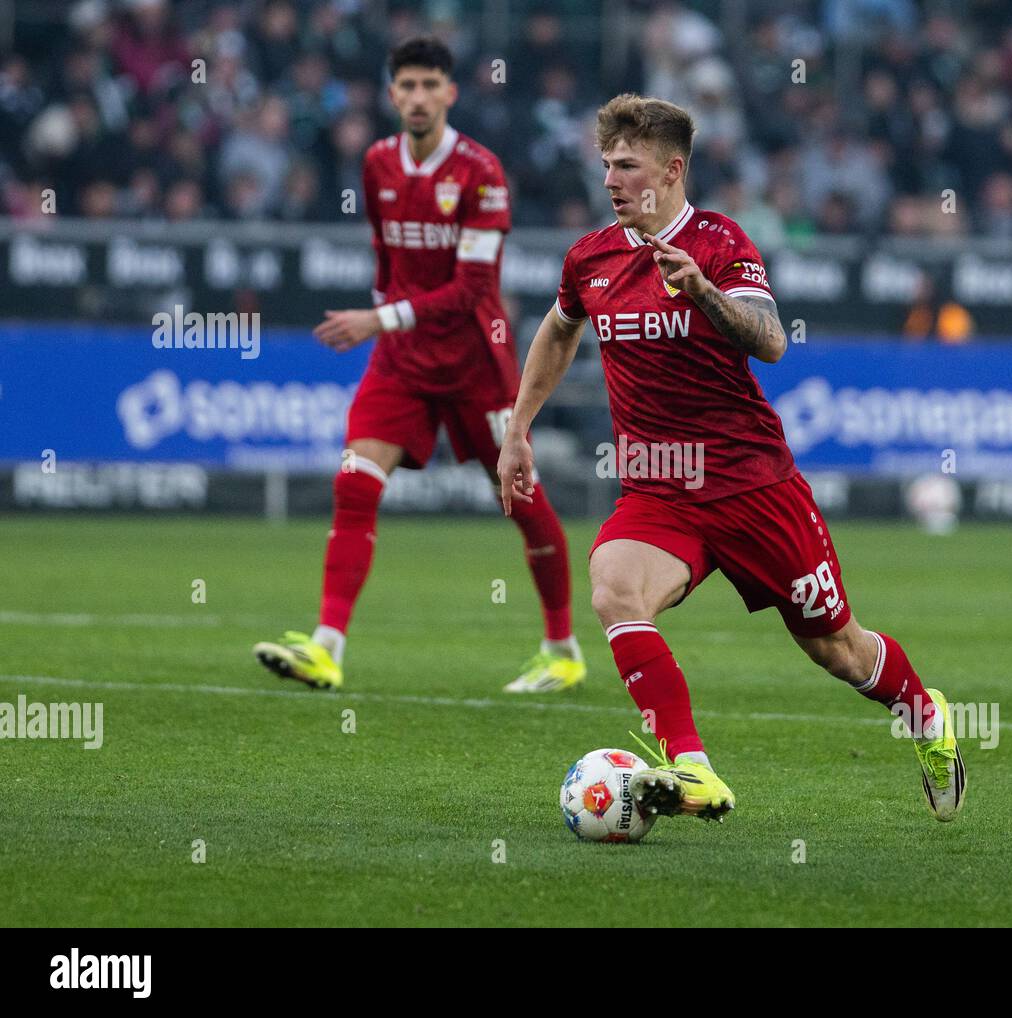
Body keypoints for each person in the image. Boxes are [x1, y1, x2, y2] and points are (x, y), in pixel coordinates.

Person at [497, 93, 966, 823]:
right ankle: (692, 767)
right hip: (659, 489)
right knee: (615, 589)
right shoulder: (589, 257)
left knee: (838, 651)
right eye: (607, 166)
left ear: (673, 169)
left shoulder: (719, 243)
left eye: (628, 166)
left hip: (754, 486)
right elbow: (560, 331)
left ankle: (924, 714)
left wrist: (706, 293)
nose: (612, 180)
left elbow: (772, 342)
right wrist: (519, 426)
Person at [254, 37, 584, 694]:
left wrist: (378, 319)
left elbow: (468, 289)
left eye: (429, 84)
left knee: (518, 498)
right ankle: (326, 647)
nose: (416, 97)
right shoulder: (377, 162)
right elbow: (385, 255)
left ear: (450, 93)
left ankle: (562, 648)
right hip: (403, 360)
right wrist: (385, 313)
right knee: (354, 482)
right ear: (392, 93)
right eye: (405, 85)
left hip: (474, 361)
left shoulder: (482, 172)